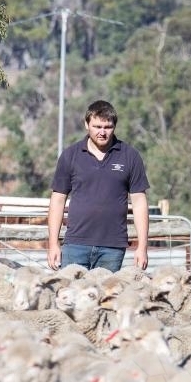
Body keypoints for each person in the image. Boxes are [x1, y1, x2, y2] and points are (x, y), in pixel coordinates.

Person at [47, 100, 150, 272]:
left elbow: (139, 203)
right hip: (75, 245)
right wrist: (53, 244)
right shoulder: (70, 156)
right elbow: (57, 200)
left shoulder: (130, 156)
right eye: (97, 126)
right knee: (71, 295)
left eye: (107, 127)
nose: (102, 132)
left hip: (112, 247)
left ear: (114, 126)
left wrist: (142, 247)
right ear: (86, 124)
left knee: (107, 297)